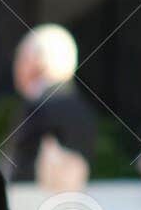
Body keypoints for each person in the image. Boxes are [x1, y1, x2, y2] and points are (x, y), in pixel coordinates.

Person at [6, 24, 97, 184]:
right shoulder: (82, 108)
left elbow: (24, 174)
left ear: (35, 62)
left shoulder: (41, 107)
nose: (15, 67)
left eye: (19, 57)